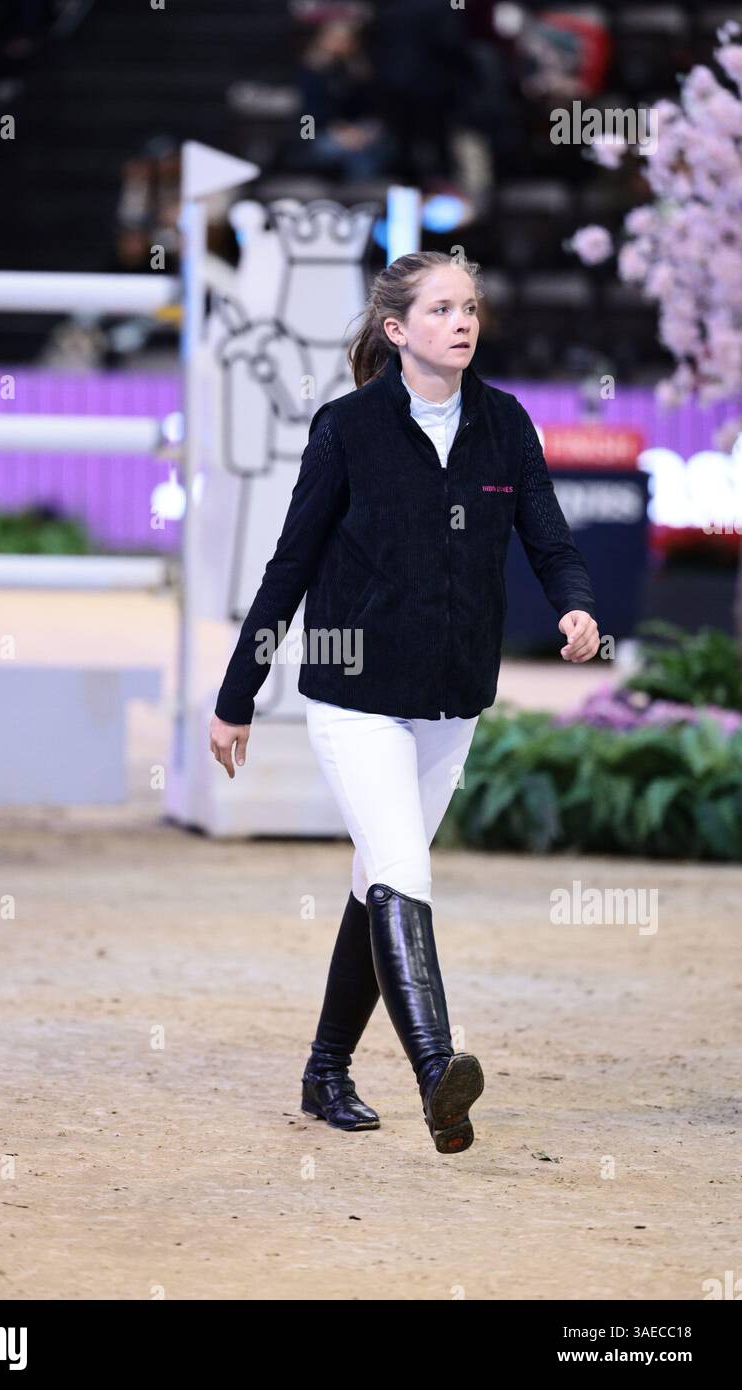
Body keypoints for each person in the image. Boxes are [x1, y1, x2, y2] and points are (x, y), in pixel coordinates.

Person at [210, 251, 600, 1154]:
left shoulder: (507, 424)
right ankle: (437, 1072)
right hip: (355, 696)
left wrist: (576, 603)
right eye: (441, 310)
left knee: (374, 877)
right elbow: (291, 567)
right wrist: (238, 696)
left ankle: (325, 1070)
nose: (463, 322)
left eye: (470, 308)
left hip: (451, 699)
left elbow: (548, 538)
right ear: (396, 330)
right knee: (404, 872)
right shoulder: (347, 428)